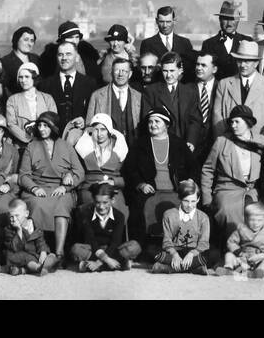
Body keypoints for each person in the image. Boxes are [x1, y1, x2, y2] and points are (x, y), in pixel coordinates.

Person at [124, 107, 198, 243]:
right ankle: (142, 246)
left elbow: (193, 166)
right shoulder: (140, 144)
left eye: (157, 121)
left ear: (167, 124)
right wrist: (141, 184)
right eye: (150, 122)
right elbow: (129, 168)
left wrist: (188, 181)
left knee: (188, 204)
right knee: (138, 206)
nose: (153, 125)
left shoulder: (178, 143)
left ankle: (182, 244)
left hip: (176, 189)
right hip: (150, 190)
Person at [19, 111, 83, 259]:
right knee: (37, 204)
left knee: (61, 206)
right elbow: (23, 175)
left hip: (61, 189)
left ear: (53, 127)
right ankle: (39, 251)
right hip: (37, 188)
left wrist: (66, 185)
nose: (41, 129)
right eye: (40, 125)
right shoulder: (32, 146)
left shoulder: (66, 146)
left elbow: (79, 172)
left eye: (46, 126)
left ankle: (59, 253)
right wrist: (34, 188)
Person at [202, 105, 264, 239]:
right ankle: (231, 249)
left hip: (253, 190)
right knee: (228, 211)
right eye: (231, 122)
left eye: (237, 121)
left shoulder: (263, 141)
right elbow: (208, 170)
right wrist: (207, 199)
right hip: (227, 190)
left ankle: (253, 250)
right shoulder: (222, 142)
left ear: (248, 122)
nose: (233, 125)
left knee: (255, 213)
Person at [212, 39, 264, 139]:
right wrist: (225, 142)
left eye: (247, 61)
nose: (242, 65)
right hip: (229, 145)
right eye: (239, 60)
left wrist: (260, 142)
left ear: (256, 63)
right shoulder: (224, 84)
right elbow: (217, 118)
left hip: (259, 147)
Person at [141, 52, 205, 152]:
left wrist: (191, 141)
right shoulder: (151, 91)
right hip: (161, 144)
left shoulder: (190, 91)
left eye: (172, 70)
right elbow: (147, 119)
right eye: (165, 71)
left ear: (180, 70)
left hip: (185, 145)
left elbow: (195, 120)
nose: (168, 75)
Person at [70, 182, 141, 271]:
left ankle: (93, 266)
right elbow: (91, 240)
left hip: (113, 249)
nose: (101, 206)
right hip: (93, 249)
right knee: (76, 249)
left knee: (135, 246)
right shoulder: (86, 214)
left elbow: (116, 242)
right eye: (98, 202)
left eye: (105, 202)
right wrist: (107, 259)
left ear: (113, 200)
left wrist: (98, 263)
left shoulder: (119, 216)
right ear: (93, 199)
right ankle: (121, 264)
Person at [39, 40, 95, 140]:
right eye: (60, 55)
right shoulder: (45, 85)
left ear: (77, 57)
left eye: (68, 54)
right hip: (53, 140)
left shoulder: (90, 83)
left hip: (80, 139)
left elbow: (94, 111)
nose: (64, 58)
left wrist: (85, 120)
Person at [74, 113, 129, 213]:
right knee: (90, 208)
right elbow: (78, 171)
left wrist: (114, 182)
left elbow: (127, 175)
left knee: (117, 207)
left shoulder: (120, 148)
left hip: (112, 188)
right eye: (96, 129)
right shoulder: (83, 147)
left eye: (103, 129)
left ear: (109, 131)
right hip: (89, 188)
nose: (99, 134)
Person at [155, 180, 211, 274]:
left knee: (214, 254)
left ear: (198, 199)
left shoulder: (203, 217)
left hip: (194, 253)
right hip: (174, 251)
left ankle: (168, 268)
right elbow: (166, 241)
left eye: (193, 201)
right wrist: (174, 255)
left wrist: (191, 254)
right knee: (150, 249)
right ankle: (195, 268)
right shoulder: (169, 214)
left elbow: (204, 243)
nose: (189, 205)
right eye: (186, 201)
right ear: (180, 198)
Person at [86, 57, 143, 150]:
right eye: (117, 70)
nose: (120, 74)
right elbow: (89, 126)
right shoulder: (97, 96)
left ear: (130, 74)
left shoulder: (139, 97)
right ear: (111, 73)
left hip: (133, 150)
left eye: (124, 71)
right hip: (106, 151)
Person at [0, 198, 55, 275]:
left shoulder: (34, 226)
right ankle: (37, 268)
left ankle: (24, 270)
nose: (14, 219)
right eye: (11, 216)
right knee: (14, 256)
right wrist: (19, 230)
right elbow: (14, 247)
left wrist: (43, 252)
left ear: (26, 214)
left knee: (48, 256)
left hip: (33, 254)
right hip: (17, 255)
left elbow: (40, 242)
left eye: (17, 215)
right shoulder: (8, 229)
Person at [200, 0, 253, 82]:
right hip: (216, 91)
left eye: (233, 19)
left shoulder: (247, 42)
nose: (229, 23)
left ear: (238, 20)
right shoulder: (208, 44)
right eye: (226, 19)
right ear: (220, 19)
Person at [219, 201, 264, 277]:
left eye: (259, 220)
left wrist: (262, 255)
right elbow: (231, 242)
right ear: (246, 219)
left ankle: (258, 272)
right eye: (252, 220)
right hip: (243, 257)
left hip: (259, 258)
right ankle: (229, 269)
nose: (256, 223)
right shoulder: (242, 229)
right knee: (229, 255)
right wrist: (239, 253)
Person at [5, 62, 57, 145]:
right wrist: (29, 139)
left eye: (27, 77)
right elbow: (11, 124)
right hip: (22, 144)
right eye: (21, 77)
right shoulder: (12, 100)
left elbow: (53, 121)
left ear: (34, 78)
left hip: (45, 143)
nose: (23, 80)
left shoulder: (47, 98)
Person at [139, 6, 197, 79]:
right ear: (156, 21)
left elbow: (189, 70)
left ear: (174, 21)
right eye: (162, 22)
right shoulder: (147, 44)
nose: (165, 25)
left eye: (168, 22)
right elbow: (145, 70)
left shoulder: (185, 43)